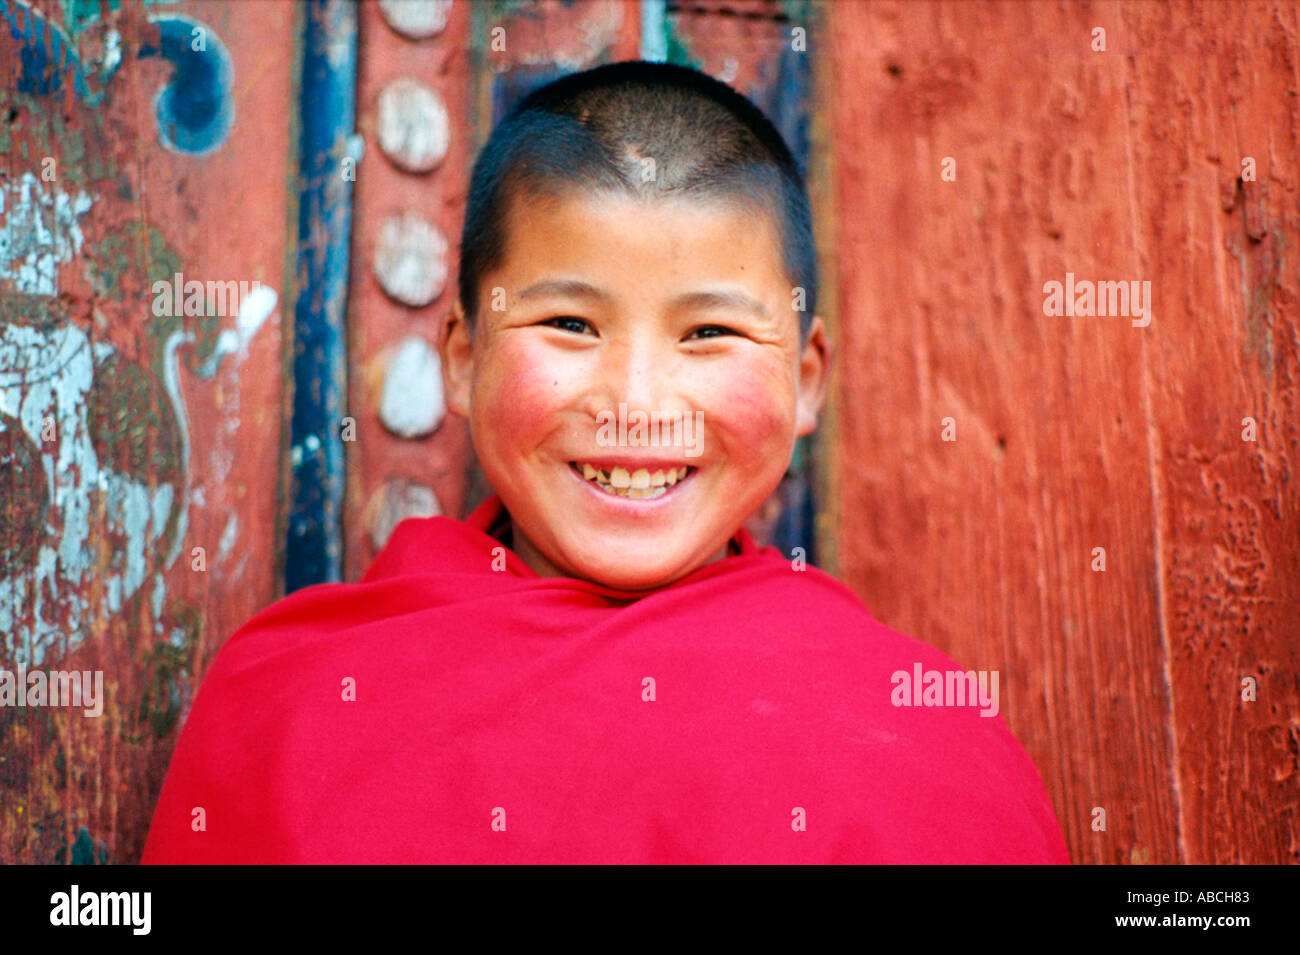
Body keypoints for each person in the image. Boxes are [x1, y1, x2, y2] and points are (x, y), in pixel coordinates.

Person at [142, 61, 1069, 864]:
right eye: (570, 325)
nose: (636, 405)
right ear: (463, 357)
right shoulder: (293, 707)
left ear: (806, 377)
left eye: (709, 332)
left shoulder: (917, 743)